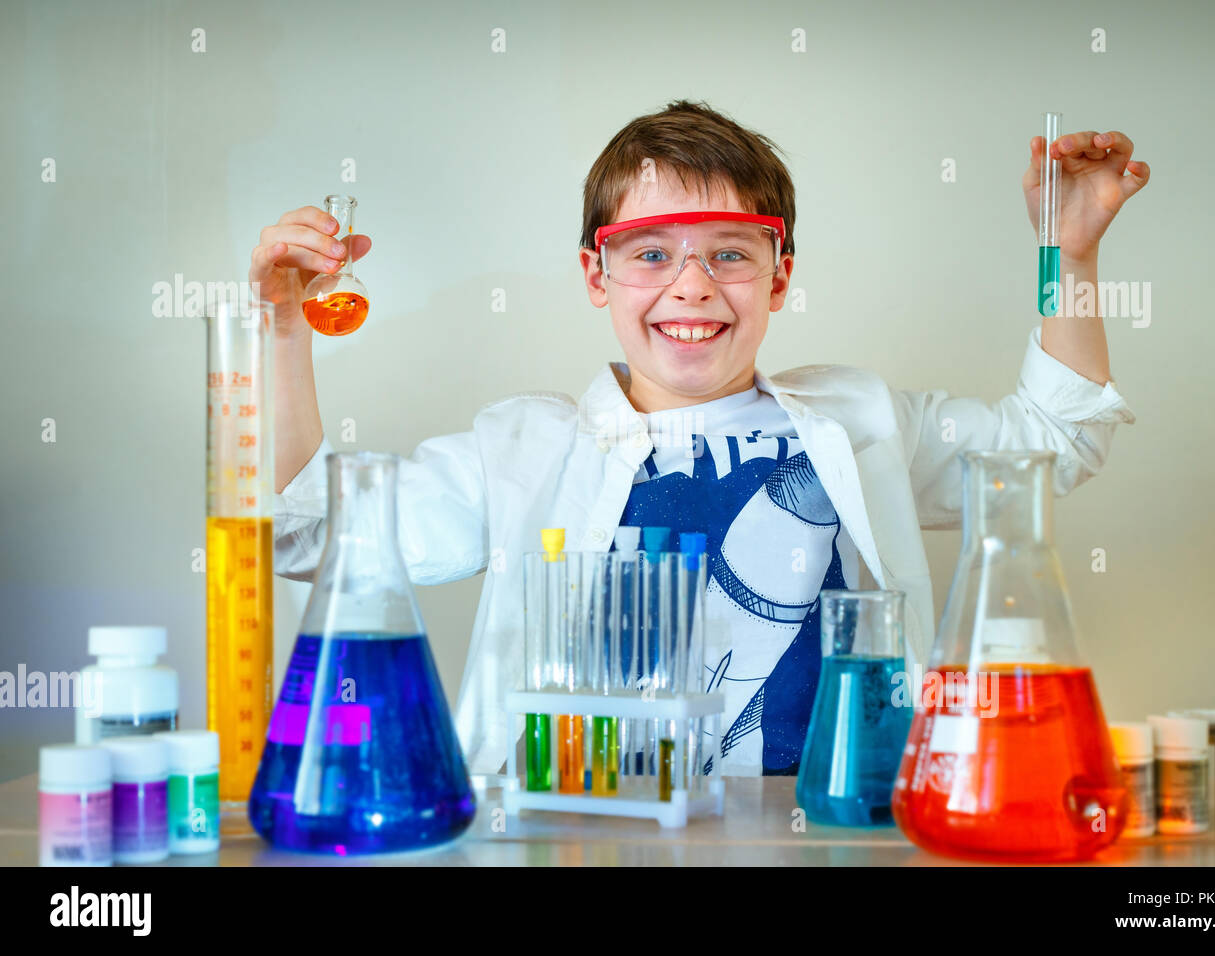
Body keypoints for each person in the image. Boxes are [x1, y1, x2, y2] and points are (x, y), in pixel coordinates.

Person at [256, 100, 1148, 777]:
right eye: (650, 254)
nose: (691, 285)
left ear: (779, 276)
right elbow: (305, 532)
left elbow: (1056, 438)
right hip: (591, 836)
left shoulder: (861, 422)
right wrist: (284, 328)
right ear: (594, 275)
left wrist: (1069, 257)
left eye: (730, 251)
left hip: (834, 830)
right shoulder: (523, 449)